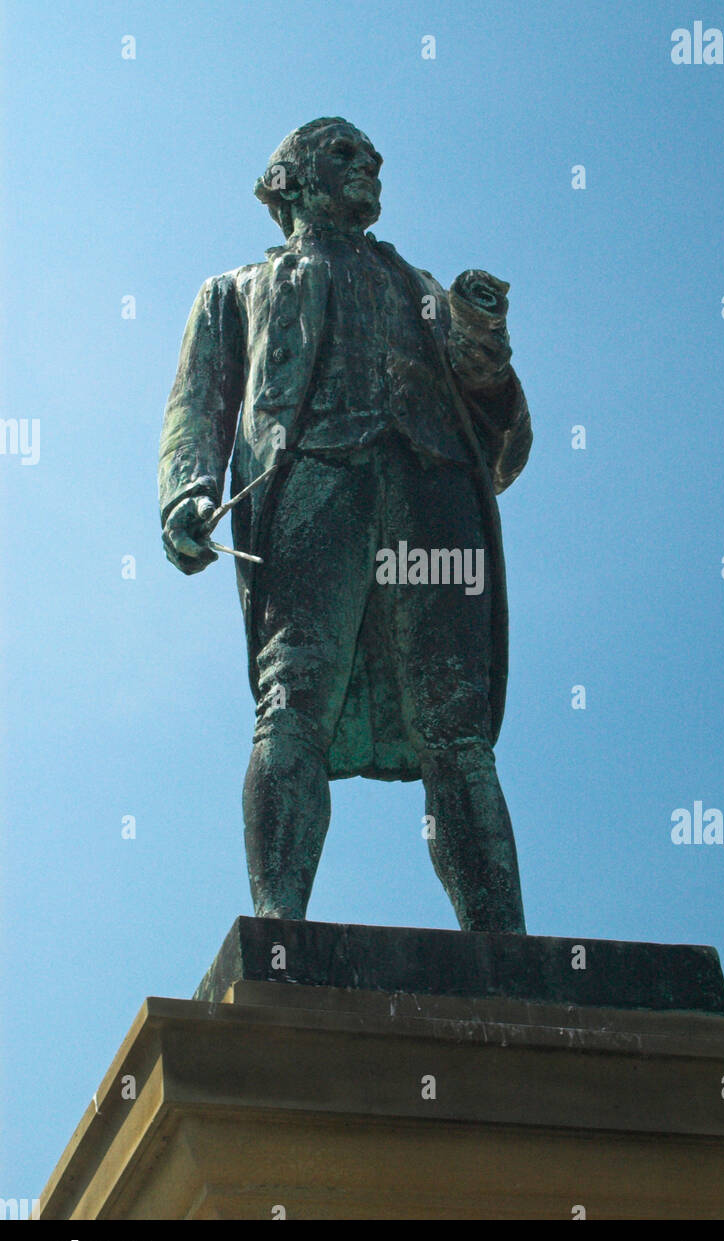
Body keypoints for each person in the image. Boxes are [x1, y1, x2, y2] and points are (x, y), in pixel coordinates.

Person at [158, 117, 532, 932]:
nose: (370, 165)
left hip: (430, 491)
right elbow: (199, 403)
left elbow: (496, 415)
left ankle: (503, 946)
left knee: (457, 727)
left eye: (372, 157)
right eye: (343, 153)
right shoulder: (235, 292)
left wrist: (484, 340)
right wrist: (187, 492)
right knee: (292, 700)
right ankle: (280, 928)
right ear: (285, 181)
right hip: (310, 492)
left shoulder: (419, 287)